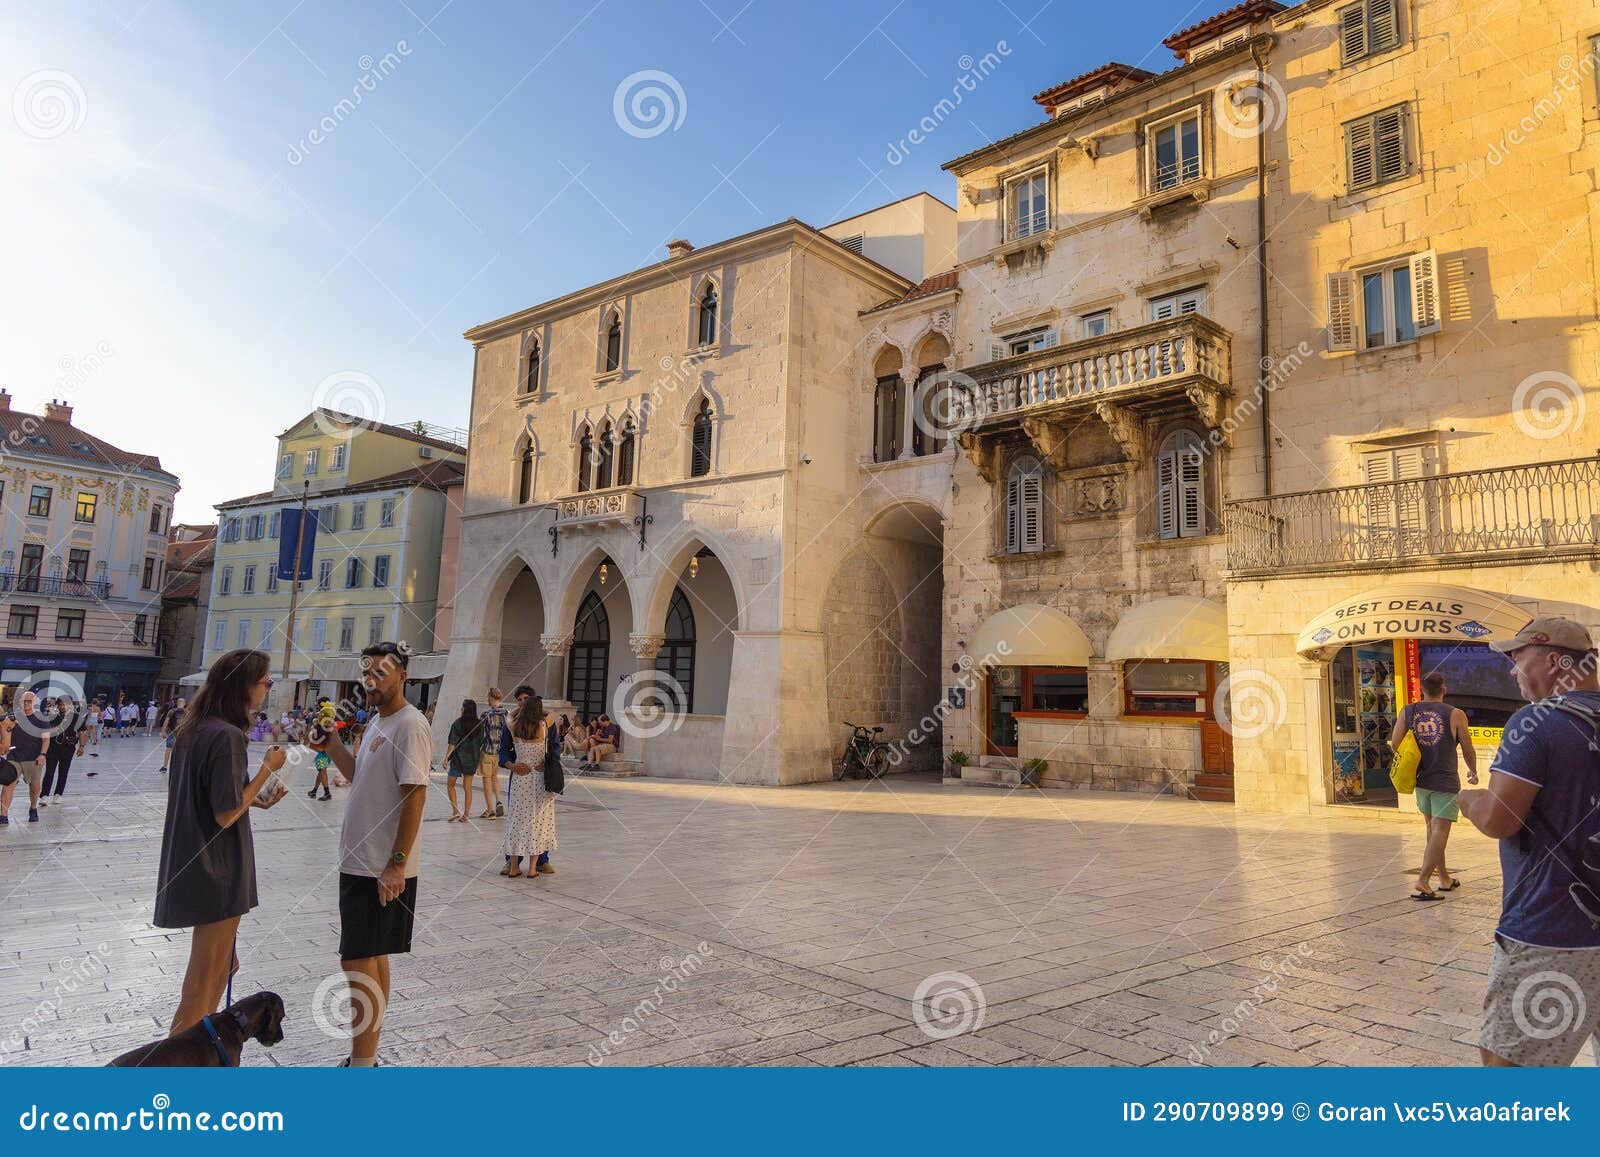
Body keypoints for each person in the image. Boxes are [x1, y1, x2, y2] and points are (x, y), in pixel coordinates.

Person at [1458, 617, 1600, 1067]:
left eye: (1518, 659)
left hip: (1552, 930)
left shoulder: (1535, 723)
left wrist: (1470, 800)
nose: (1512, 671)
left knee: (1509, 1069)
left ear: (1555, 661)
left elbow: (1501, 820)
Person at [154, 649, 285, 1036]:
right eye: (265, 682)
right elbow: (226, 813)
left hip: (194, 861)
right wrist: (266, 771)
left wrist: (253, 797)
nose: (267, 689)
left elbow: (214, 798)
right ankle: (177, 1067)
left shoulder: (195, 728)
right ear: (244, 686)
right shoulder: (227, 736)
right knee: (203, 986)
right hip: (219, 868)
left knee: (223, 968)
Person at [318, 642, 430, 1067]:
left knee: (356, 959)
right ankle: (366, 1057)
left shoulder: (410, 726)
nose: (371, 681)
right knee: (372, 958)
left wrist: (397, 863)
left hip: (379, 865)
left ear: (402, 675)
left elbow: (415, 794)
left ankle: (362, 1064)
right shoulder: (376, 724)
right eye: (366, 673)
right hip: (364, 861)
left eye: (380, 673)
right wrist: (332, 746)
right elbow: (357, 777)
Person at [1390, 672, 1477, 900]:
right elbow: (1467, 747)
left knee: (1432, 830)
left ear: (1422, 690)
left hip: (1420, 780)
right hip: (1445, 781)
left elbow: (1396, 744)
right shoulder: (1455, 714)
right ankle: (1423, 880)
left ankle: (1444, 878)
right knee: (1440, 831)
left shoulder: (1408, 711)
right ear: (1444, 690)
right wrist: (1473, 770)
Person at [501, 694, 557, 878]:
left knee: (516, 821)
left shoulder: (514, 726)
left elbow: (509, 715)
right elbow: (554, 713)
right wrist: (539, 709)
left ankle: (514, 866)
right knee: (538, 823)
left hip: (520, 778)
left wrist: (520, 708)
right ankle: (533, 868)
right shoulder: (543, 727)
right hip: (538, 778)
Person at [2, 690, 49, 824]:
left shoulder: (41, 718)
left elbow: (46, 740)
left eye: (29, 701)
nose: (26, 703)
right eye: (24, 701)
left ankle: (33, 808)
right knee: (8, 785)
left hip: (33, 758)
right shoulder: (13, 717)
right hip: (13, 757)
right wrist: (11, 724)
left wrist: (42, 755)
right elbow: (5, 732)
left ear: (34, 703)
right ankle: (3, 814)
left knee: (34, 786)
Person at [444, 699, 485, 822]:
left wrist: (446, 757)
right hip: (472, 759)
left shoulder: (457, 723)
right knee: (468, 786)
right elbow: (481, 743)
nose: (461, 709)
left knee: (450, 784)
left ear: (465, 709)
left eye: (462, 707)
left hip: (457, 758)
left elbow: (452, 742)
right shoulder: (480, 724)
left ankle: (455, 811)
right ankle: (466, 814)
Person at [40, 696, 83, 804]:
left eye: (65, 704)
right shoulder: (52, 716)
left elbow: (82, 731)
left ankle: (58, 794)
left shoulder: (76, 717)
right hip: (53, 747)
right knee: (49, 771)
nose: (63, 707)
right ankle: (44, 795)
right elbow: (45, 730)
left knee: (63, 772)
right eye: (61, 704)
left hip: (68, 747)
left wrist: (82, 746)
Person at [478, 688, 508, 819]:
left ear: (491, 697)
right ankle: (499, 801)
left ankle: (490, 810)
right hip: (499, 751)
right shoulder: (506, 713)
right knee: (495, 777)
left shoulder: (486, 714)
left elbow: (480, 734)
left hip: (488, 750)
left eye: (488, 696)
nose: (487, 699)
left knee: (486, 780)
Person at [160, 698, 186, 772]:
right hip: (183, 733)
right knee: (182, 750)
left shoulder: (172, 711)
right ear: (184, 703)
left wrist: (163, 731)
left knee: (168, 749)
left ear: (177, 703)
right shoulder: (187, 712)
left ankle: (165, 766)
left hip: (172, 732)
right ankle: (180, 767)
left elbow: (166, 721)